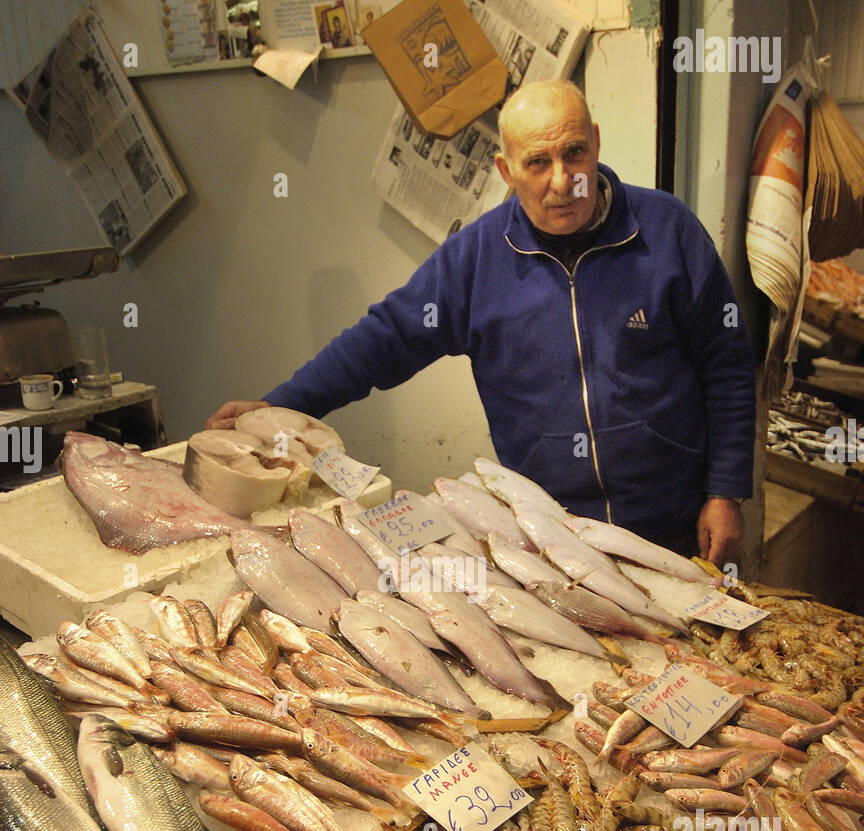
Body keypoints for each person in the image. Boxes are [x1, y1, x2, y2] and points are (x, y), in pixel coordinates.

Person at [208, 80, 755, 562]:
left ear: (596, 143)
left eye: (575, 153)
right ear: (506, 170)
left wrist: (725, 490)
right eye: (538, 163)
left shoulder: (668, 231)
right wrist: (284, 404)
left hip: (675, 523)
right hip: (548, 537)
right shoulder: (474, 260)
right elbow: (387, 338)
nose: (562, 181)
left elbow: (726, 365)